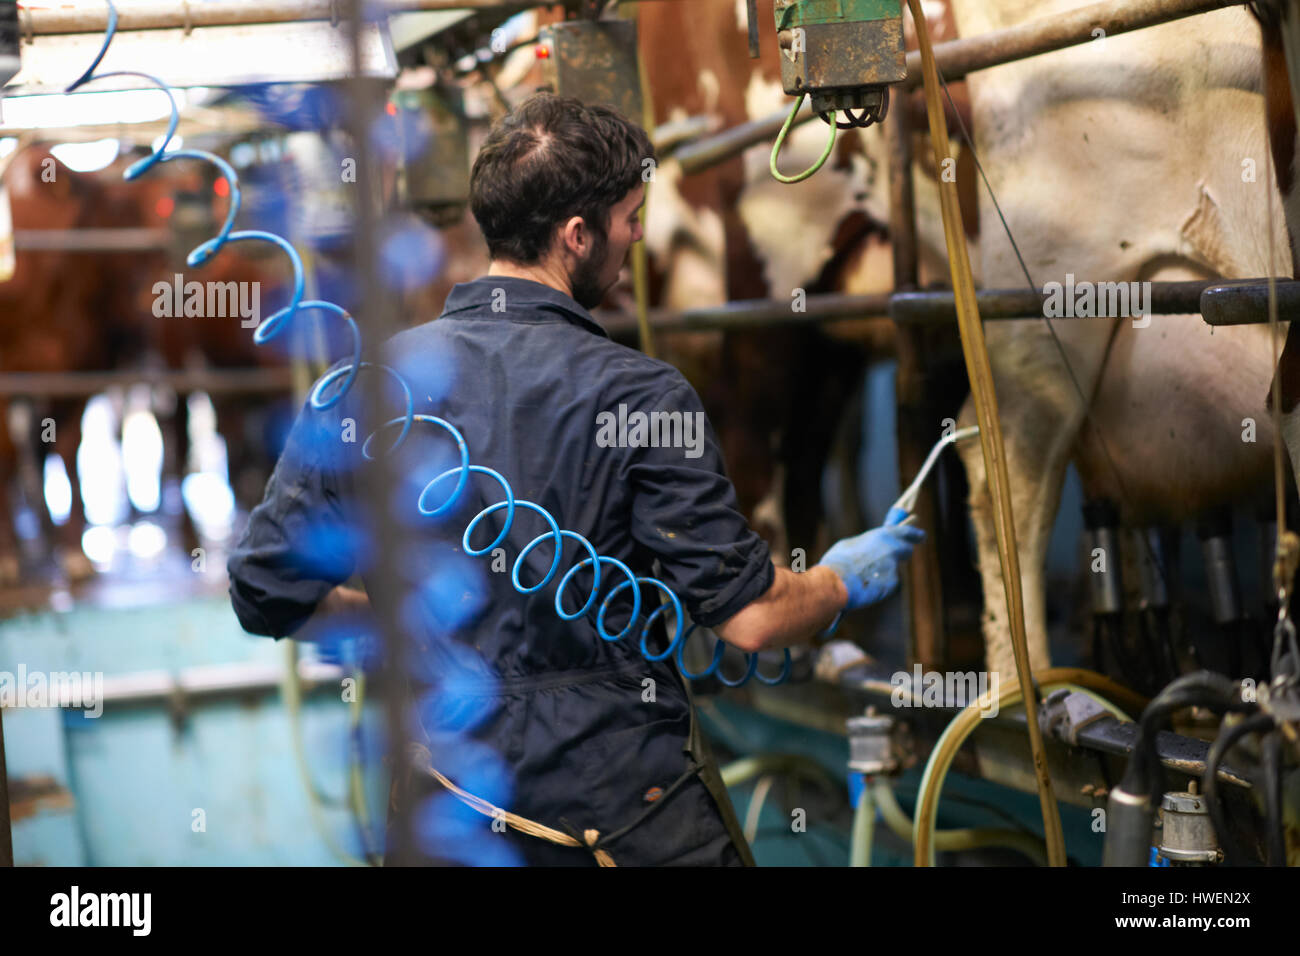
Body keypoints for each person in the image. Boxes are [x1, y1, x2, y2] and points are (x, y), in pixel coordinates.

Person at [227, 91, 923, 867]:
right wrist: (841, 581)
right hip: (618, 810)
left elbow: (265, 589)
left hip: (447, 801)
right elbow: (752, 620)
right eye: (629, 218)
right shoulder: (642, 395)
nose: (635, 239)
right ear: (576, 234)